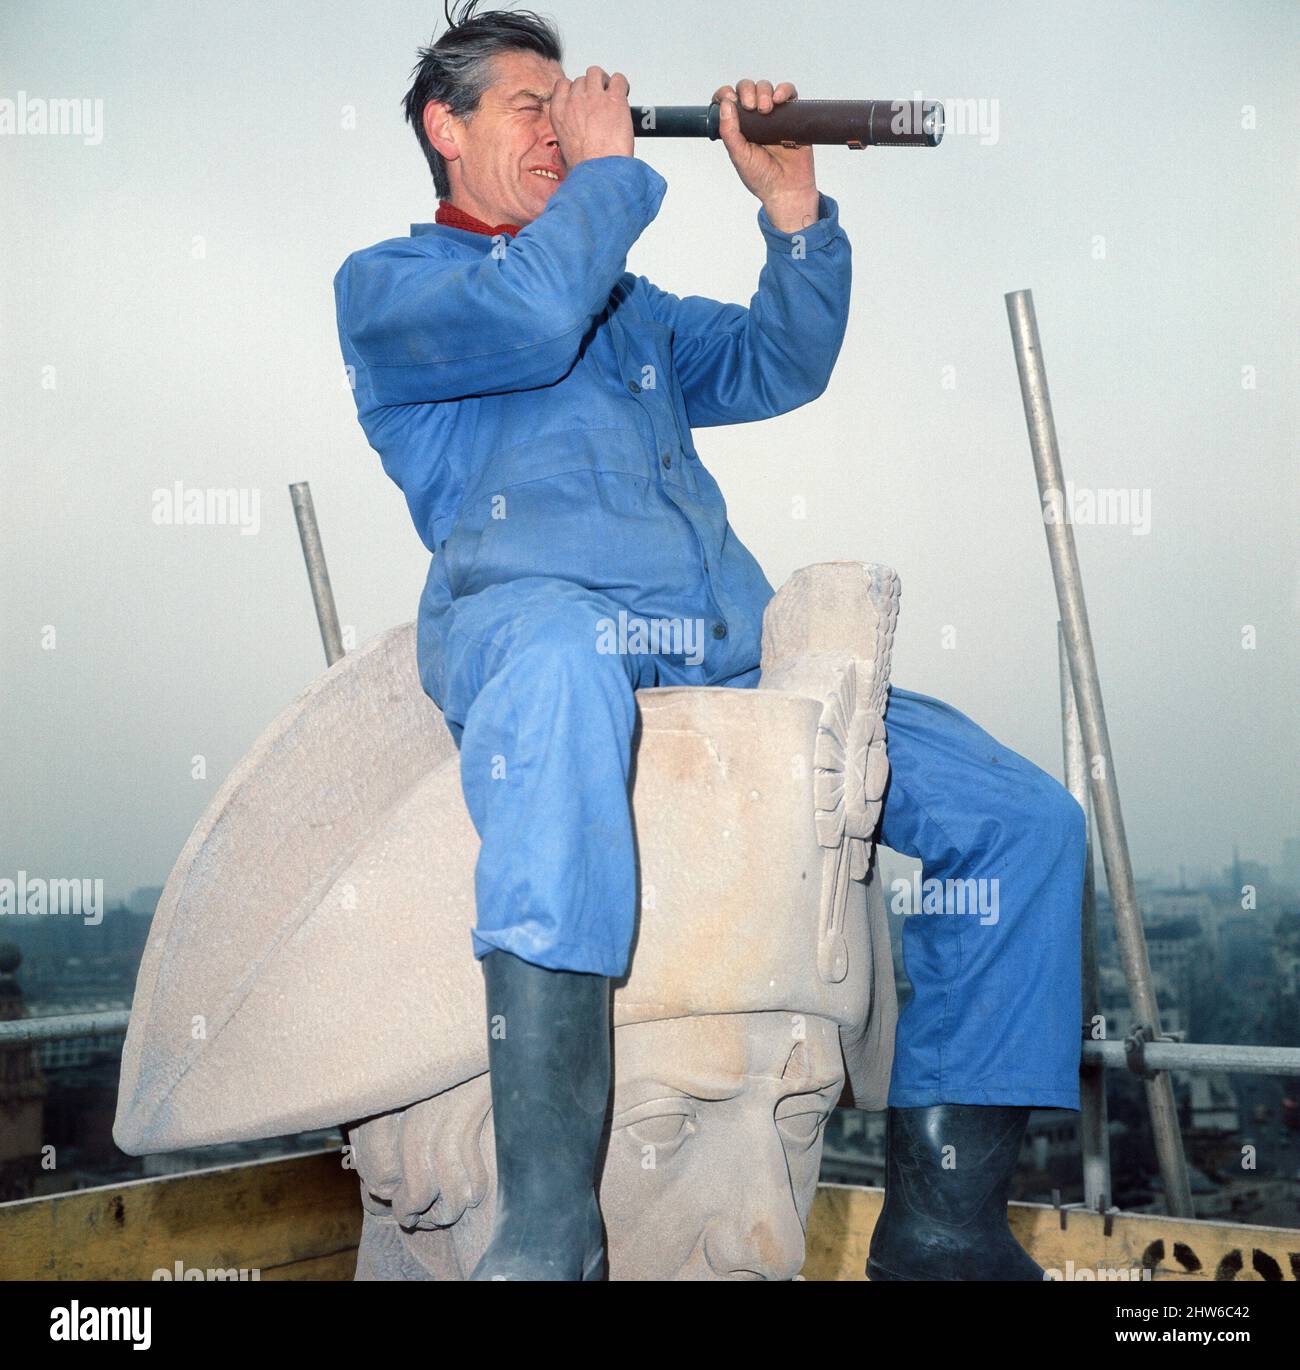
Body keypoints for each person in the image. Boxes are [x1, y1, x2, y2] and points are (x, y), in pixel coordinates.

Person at [334, 1, 1085, 1281]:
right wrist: (615, 169)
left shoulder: (631, 311)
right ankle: (553, 1214)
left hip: (716, 647)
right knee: (566, 682)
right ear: (441, 126)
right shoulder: (399, 288)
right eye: (535, 105)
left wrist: (791, 212)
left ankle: (943, 1229)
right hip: (532, 622)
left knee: (1023, 819)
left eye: (574, 106)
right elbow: (527, 314)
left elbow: (778, 363)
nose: (565, 127)